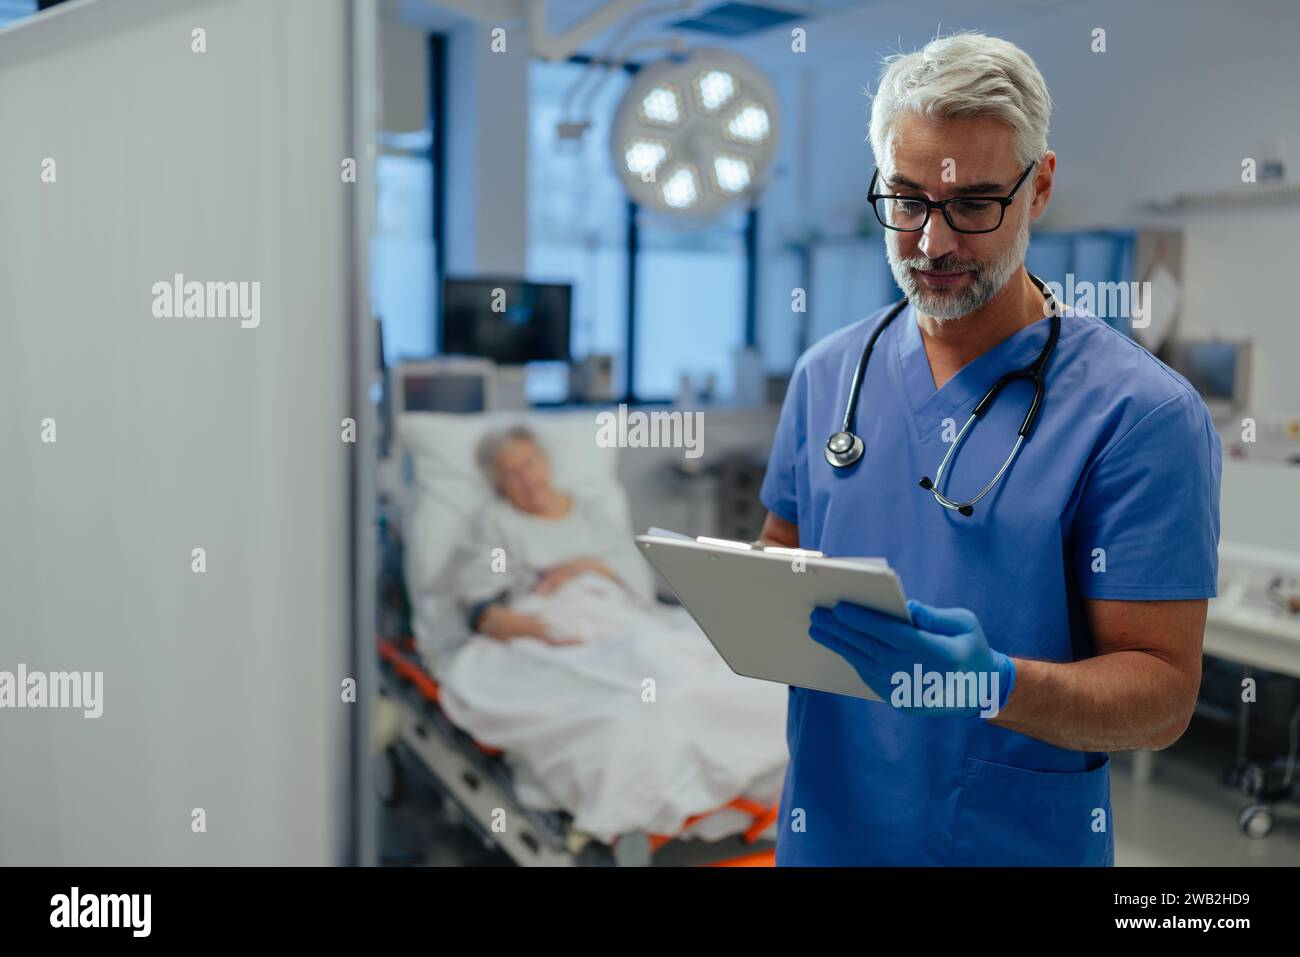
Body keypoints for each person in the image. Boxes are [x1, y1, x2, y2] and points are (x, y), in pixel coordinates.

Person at [758, 31, 1221, 866]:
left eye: (973, 204)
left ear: (1039, 185)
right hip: (826, 832)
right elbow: (781, 556)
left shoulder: (1141, 414)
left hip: (1007, 841)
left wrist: (996, 683)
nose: (933, 244)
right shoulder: (830, 375)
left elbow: (1162, 698)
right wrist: (741, 598)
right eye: (906, 200)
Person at [457, 425, 655, 644]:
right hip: (539, 625)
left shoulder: (593, 513)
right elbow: (478, 598)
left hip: (614, 618)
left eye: (529, 464)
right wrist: (524, 626)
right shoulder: (496, 522)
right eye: (512, 474)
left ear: (545, 461)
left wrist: (586, 567)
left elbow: (640, 581)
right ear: (500, 484)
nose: (527, 479)